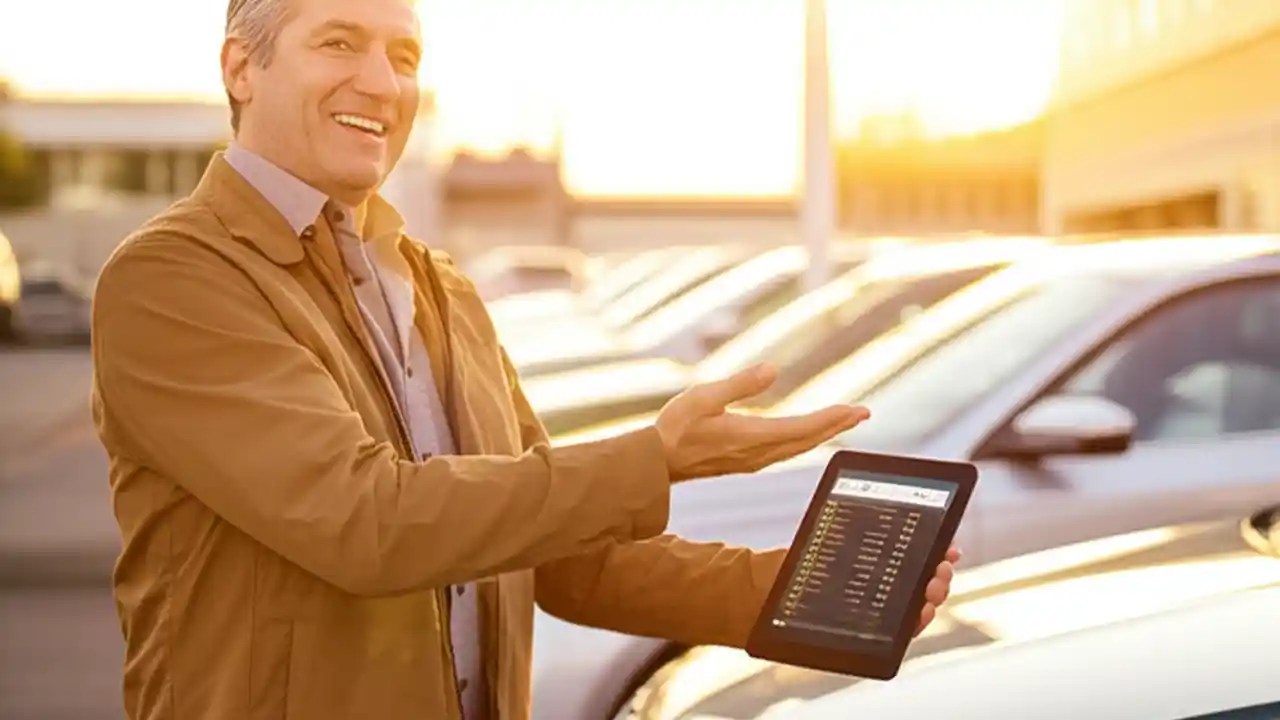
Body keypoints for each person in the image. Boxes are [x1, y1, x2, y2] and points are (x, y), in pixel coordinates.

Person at [88, 0, 959, 718]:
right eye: (339, 43)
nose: (382, 83)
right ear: (240, 69)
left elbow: (565, 556)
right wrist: (653, 458)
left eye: (404, 54)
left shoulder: (437, 286)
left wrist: (812, 593)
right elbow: (365, 524)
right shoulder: (174, 279)